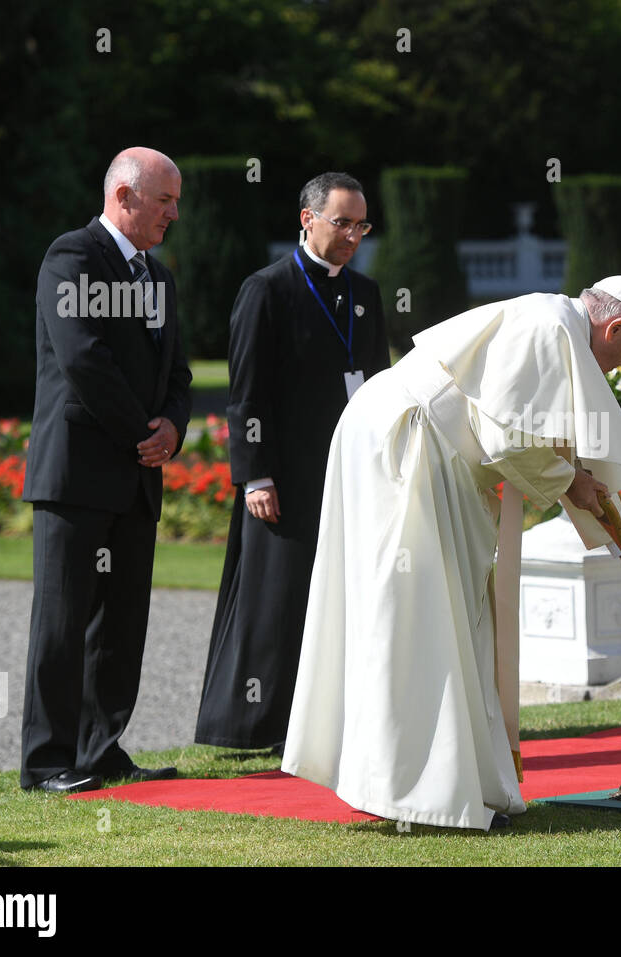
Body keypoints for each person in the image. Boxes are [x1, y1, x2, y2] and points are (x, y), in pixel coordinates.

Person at [282, 276, 621, 831]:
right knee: (416, 615)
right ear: (613, 327)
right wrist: (569, 484)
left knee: (446, 617)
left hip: (414, 449)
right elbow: (513, 442)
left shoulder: (560, 330)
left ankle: (446, 785)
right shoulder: (548, 327)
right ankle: (412, 792)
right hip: (408, 448)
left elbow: (569, 465)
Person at [195, 173, 390, 751]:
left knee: (342, 596)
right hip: (283, 475)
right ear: (307, 219)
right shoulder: (267, 289)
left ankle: (332, 720)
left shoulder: (366, 293)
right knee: (278, 599)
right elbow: (246, 392)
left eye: (361, 225)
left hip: (348, 473)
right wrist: (255, 473)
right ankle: (261, 726)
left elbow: (379, 385)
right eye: (342, 222)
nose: (353, 234)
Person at [20, 147, 192, 793]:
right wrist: (143, 433)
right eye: (165, 200)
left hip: (136, 473)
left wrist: (172, 425)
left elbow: (178, 369)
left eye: (175, 200)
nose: (175, 213)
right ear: (125, 196)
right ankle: (45, 761)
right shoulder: (71, 257)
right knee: (63, 622)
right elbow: (83, 359)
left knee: (121, 621)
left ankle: (101, 748)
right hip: (78, 473)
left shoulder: (159, 278)